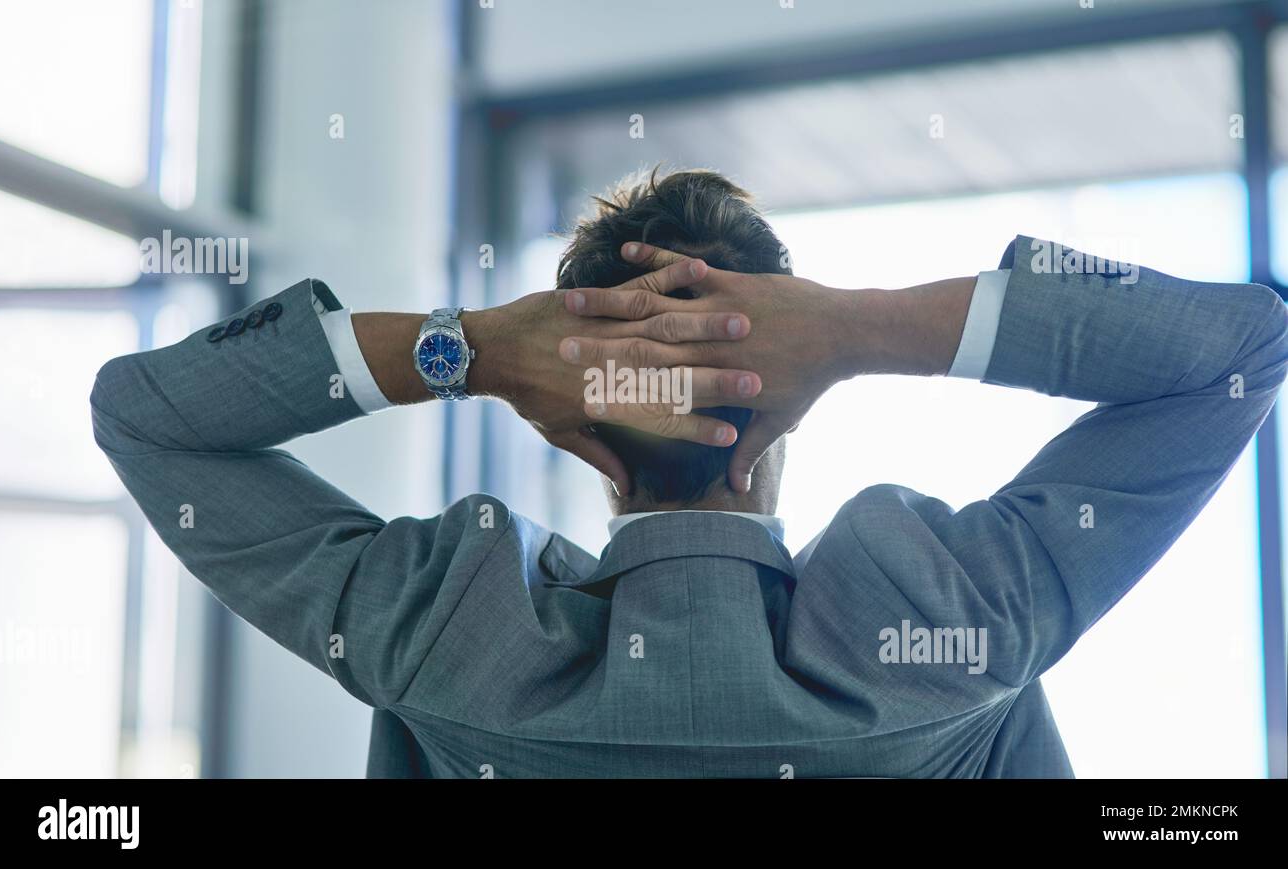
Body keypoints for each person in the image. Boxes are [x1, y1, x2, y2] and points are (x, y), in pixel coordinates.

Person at [92, 169, 1288, 777]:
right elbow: (1244, 346)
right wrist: (862, 325)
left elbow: (146, 416)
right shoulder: (946, 624)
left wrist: (469, 346)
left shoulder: (448, 629)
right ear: (789, 419)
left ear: (570, 430)